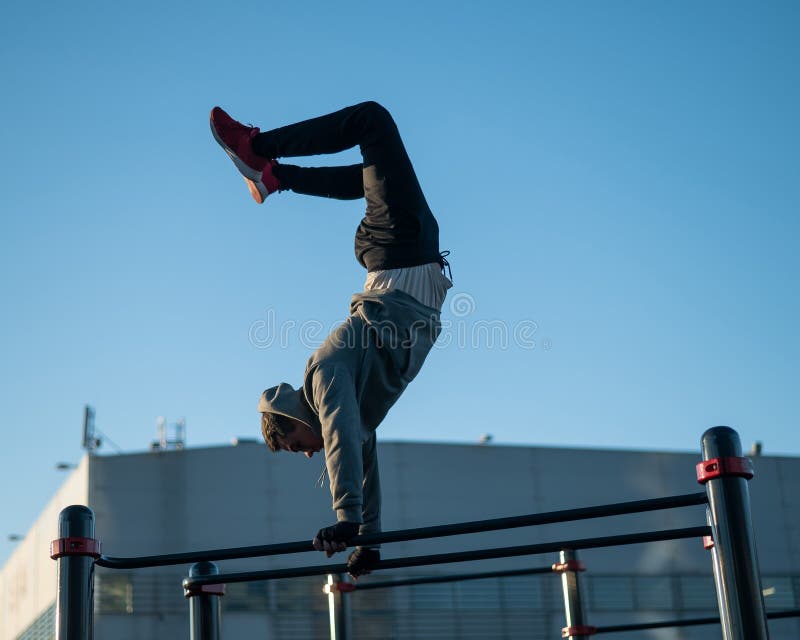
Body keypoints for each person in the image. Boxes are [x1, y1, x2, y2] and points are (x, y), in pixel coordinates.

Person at [210, 101, 452, 576]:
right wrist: (367, 541)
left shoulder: (324, 378)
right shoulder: (352, 409)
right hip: (407, 258)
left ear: (293, 416)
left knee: (372, 121)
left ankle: (256, 151)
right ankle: (274, 177)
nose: (307, 453)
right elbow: (362, 453)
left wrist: (345, 517)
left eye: (297, 443)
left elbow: (339, 435)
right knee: (372, 172)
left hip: (397, 254)